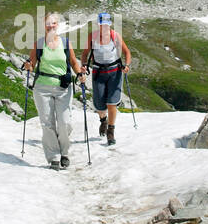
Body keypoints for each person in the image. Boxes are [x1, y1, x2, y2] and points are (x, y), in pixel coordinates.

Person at [23, 11, 86, 170]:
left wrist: (80, 74)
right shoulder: (38, 44)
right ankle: (54, 157)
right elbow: (32, 63)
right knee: (47, 122)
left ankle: (65, 152)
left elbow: (73, 62)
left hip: (63, 88)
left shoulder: (65, 43)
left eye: (54, 23)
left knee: (65, 122)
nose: (51, 26)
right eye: (48, 23)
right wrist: (29, 66)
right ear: (44, 26)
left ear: (58, 25)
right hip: (42, 88)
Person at [81, 11, 131, 145]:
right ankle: (103, 120)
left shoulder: (115, 36)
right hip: (98, 72)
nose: (105, 27)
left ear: (110, 24)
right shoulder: (92, 37)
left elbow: (126, 52)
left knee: (111, 103)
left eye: (107, 25)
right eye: (102, 24)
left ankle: (111, 131)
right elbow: (85, 53)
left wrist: (126, 65)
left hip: (115, 72)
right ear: (99, 24)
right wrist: (84, 65)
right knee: (99, 105)